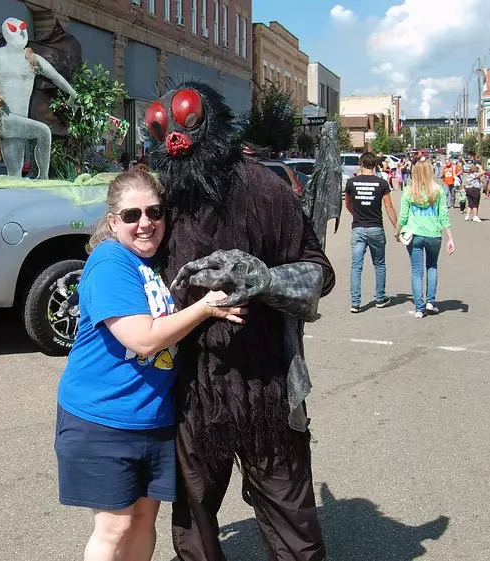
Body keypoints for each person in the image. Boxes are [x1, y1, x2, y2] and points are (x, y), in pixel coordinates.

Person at [148, 82, 335, 561]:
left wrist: (267, 279)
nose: (174, 136)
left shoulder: (264, 189)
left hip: (267, 385)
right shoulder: (161, 203)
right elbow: (127, 263)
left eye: (185, 119)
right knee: (193, 518)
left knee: (291, 516)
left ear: (210, 120)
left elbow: (318, 272)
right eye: (160, 126)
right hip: (192, 388)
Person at [55, 169, 246, 561]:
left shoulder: (154, 261)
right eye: (131, 215)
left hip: (152, 419)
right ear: (112, 221)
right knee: (114, 527)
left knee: (144, 520)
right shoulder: (111, 262)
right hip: (102, 417)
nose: (145, 223)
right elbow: (142, 339)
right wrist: (206, 306)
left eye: (154, 212)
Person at [397, 160, 455, 318]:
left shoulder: (409, 190)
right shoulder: (438, 190)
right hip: (433, 234)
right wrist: (450, 237)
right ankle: (430, 301)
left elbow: (403, 216)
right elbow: (443, 215)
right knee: (432, 266)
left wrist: (397, 231)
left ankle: (419, 308)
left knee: (416, 271)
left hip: (414, 234)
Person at [344, 152, 399, 313]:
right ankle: (380, 298)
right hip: (376, 227)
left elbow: (347, 204)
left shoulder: (351, 183)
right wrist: (396, 227)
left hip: (358, 228)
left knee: (356, 266)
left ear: (361, 164)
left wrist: (357, 215)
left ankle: (355, 303)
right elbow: (389, 207)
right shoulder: (381, 183)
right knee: (379, 264)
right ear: (374, 165)